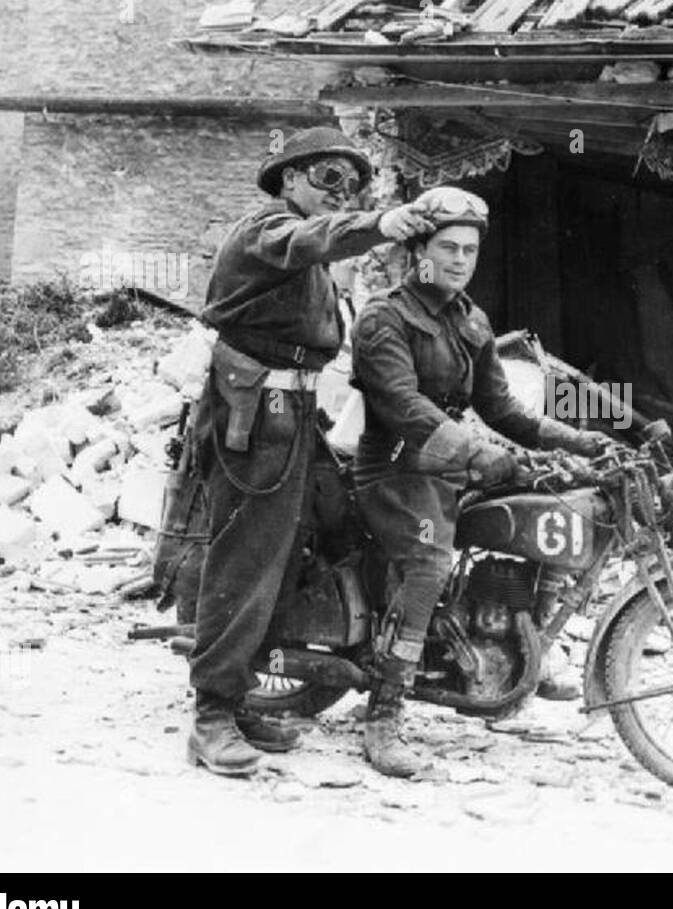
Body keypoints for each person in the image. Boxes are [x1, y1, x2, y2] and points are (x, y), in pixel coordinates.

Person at [183, 126, 434, 777]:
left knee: (298, 550)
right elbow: (311, 238)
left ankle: (243, 698)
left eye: (352, 187)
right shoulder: (266, 230)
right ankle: (211, 715)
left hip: (292, 413)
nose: (340, 195)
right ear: (288, 177)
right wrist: (383, 220)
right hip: (251, 417)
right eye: (328, 180)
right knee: (246, 559)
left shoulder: (312, 261)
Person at [350, 186, 608, 778]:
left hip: (449, 463)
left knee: (546, 512)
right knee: (429, 564)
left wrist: (573, 439)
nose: (461, 259)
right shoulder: (383, 318)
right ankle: (383, 716)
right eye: (448, 247)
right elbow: (403, 407)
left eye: (469, 249)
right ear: (419, 250)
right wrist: (481, 455)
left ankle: (524, 651)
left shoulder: (471, 320)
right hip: (395, 467)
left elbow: (503, 409)